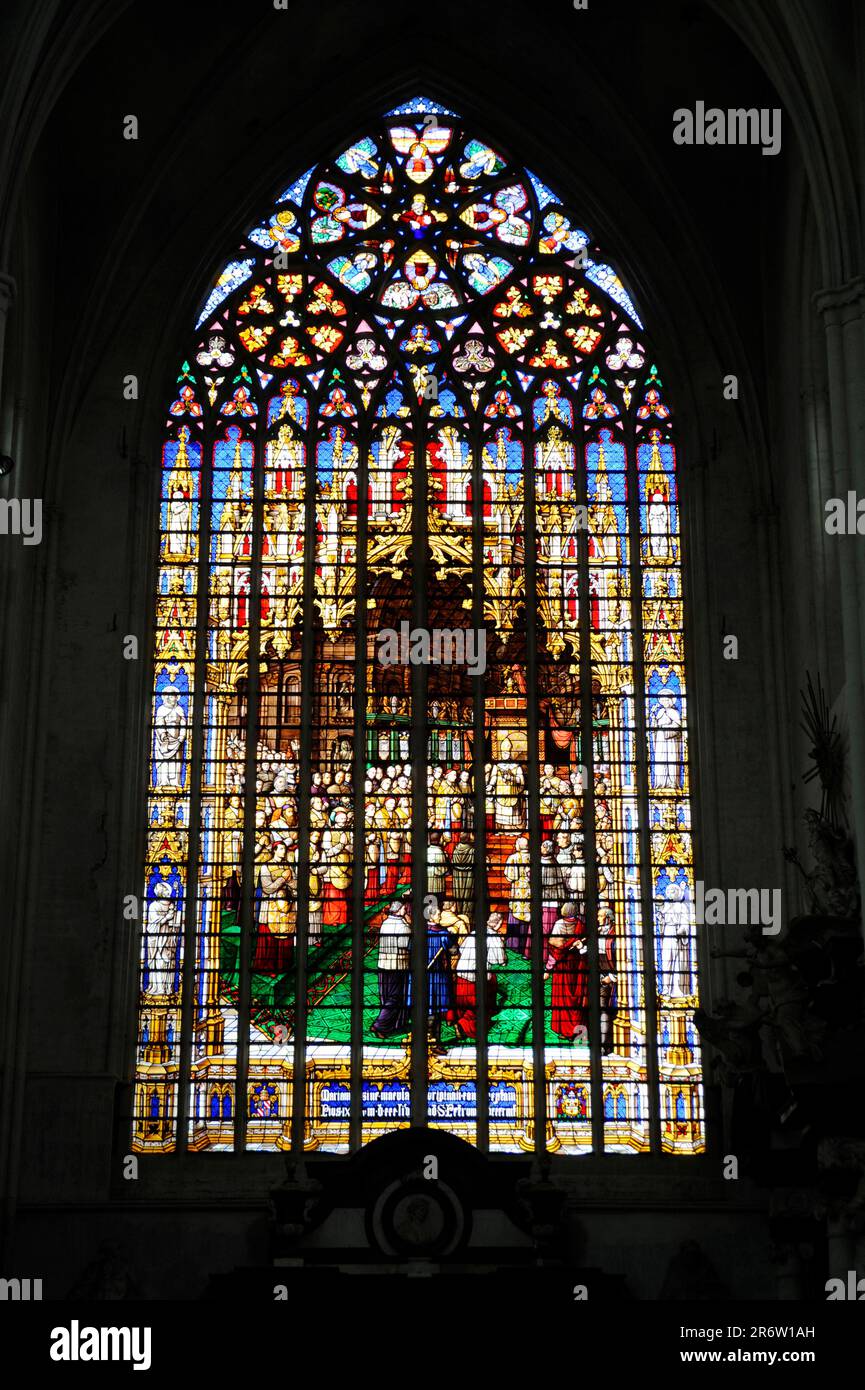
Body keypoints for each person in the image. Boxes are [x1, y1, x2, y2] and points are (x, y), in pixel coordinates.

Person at [453, 912, 507, 1038]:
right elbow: (498, 961)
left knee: (463, 1002)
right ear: (499, 924)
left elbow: (461, 949)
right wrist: (502, 945)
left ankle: (456, 1019)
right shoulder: (494, 937)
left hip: (461, 973)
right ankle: (462, 1026)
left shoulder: (474, 933)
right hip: (475, 979)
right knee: (476, 1007)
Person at [544, 902, 590, 1041]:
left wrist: (548, 969)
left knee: (563, 999)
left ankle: (566, 1031)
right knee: (576, 996)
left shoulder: (559, 924)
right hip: (577, 966)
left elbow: (556, 950)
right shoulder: (581, 925)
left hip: (563, 968)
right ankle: (578, 1030)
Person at [371, 899, 411, 1038]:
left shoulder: (385, 923)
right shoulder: (402, 926)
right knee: (395, 998)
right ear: (399, 910)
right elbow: (406, 944)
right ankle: (380, 1025)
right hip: (397, 966)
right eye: (404, 908)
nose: (405, 910)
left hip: (383, 965)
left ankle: (393, 1024)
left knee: (386, 995)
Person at [504, 836, 531, 954]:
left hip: (518, 892)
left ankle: (514, 946)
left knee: (515, 918)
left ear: (519, 846)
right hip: (530, 892)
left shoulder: (513, 858)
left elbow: (510, 877)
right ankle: (525, 946)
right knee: (527, 918)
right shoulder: (534, 857)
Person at [427, 831, 448, 899]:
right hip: (437, 885)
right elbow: (444, 870)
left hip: (428, 884)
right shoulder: (439, 852)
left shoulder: (426, 851)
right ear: (438, 840)